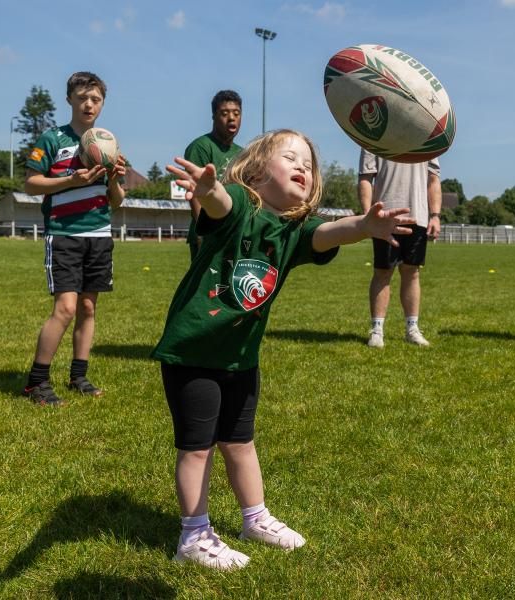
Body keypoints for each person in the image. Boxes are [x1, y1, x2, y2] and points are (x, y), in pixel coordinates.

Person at [153, 130, 413, 570]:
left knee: (240, 442)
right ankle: (193, 536)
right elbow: (222, 204)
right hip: (193, 352)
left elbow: (329, 232)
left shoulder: (292, 231)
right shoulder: (239, 203)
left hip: (241, 357)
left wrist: (366, 225)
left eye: (309, 165)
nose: (303, 168)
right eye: (290, 157)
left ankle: (254, 518)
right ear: (255, 171)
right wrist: (210, 188)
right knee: (198, 448)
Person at [22, 71, 126, 406]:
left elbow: (117, 199)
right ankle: (36, 382)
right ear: (69, 99)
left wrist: (112, 179)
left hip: (99, 235)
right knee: (65, 308)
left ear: (103, 103)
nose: (89, 104)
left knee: (87, 308)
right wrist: (72, 181)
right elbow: (31, 184)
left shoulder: (108, 143)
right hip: (64, 234)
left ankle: (78, 376)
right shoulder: (53, 139)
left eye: (95, 99)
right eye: (82, 97)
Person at [359, 149, 441, 348]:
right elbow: (365, 178)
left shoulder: (426, 136)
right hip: (385, 217)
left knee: (412, 272)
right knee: (382, 272)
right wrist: (368, 215)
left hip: (418, 216)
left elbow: (433, 179)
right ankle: (377, 330)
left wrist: (435, 215)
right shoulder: (374, 136)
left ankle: (412, 328)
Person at [184, 90, 243, 261]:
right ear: (214, 116)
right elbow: (195, 192)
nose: (231, 118)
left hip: (234, 233)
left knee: (233, 286)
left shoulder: (243, 154)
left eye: (236, 113)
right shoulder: (201, 147)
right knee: (205, 288)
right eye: (224, 113)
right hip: (210, 232)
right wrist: (204, 234)